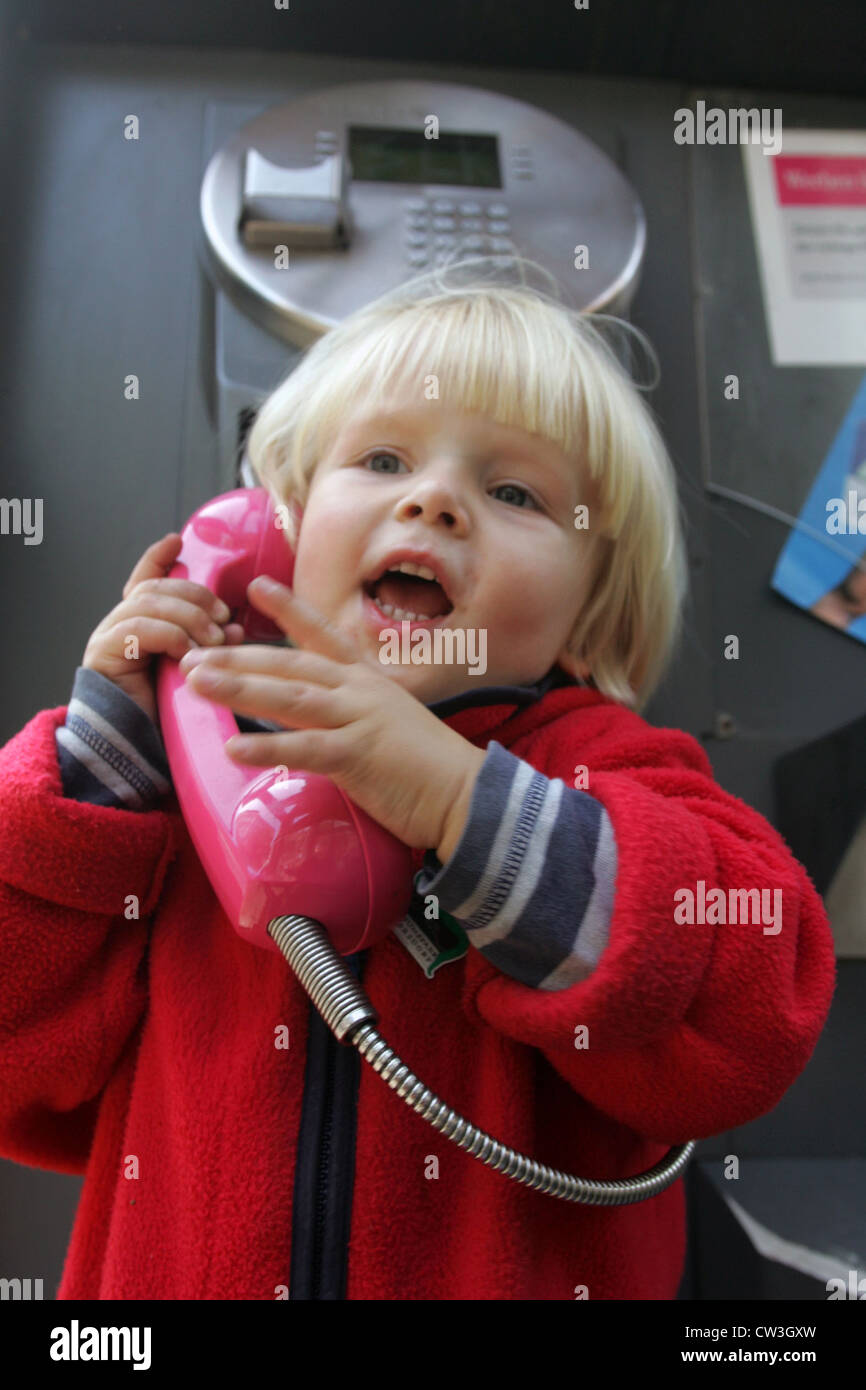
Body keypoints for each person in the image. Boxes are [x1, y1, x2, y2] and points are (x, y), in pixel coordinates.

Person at [0, 258, 836, 1300]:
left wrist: (465, 808)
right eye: (383, 457)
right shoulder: (171, 778)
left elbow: (760, 1003)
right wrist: (93, 782)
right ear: (274, 529)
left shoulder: (598, 769)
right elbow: (24, 1070)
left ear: (587, 613)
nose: (434, 500)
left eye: (513, 491)